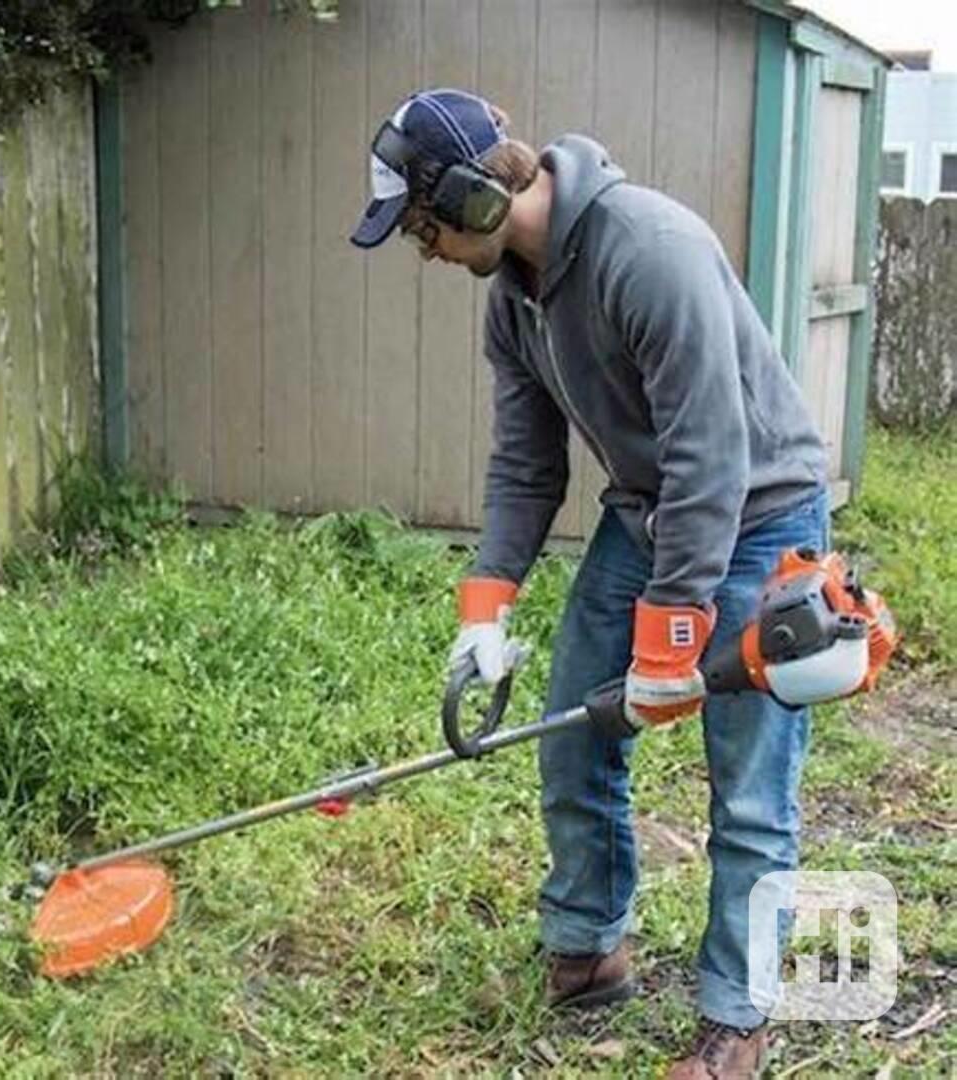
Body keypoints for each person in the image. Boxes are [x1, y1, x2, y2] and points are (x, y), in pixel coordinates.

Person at [351, 89, 829, 1079]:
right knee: (576, 729)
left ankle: (737, 1023)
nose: (422, 250)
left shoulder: (647, 250)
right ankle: (589, 947)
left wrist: (674, 634)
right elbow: (527, 466)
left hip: (759, 517)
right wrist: (487, 605)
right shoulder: (513, 303)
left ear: (473, 195)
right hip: (648, 514)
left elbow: (714, 455)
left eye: (421, 226)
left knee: (747, 792)